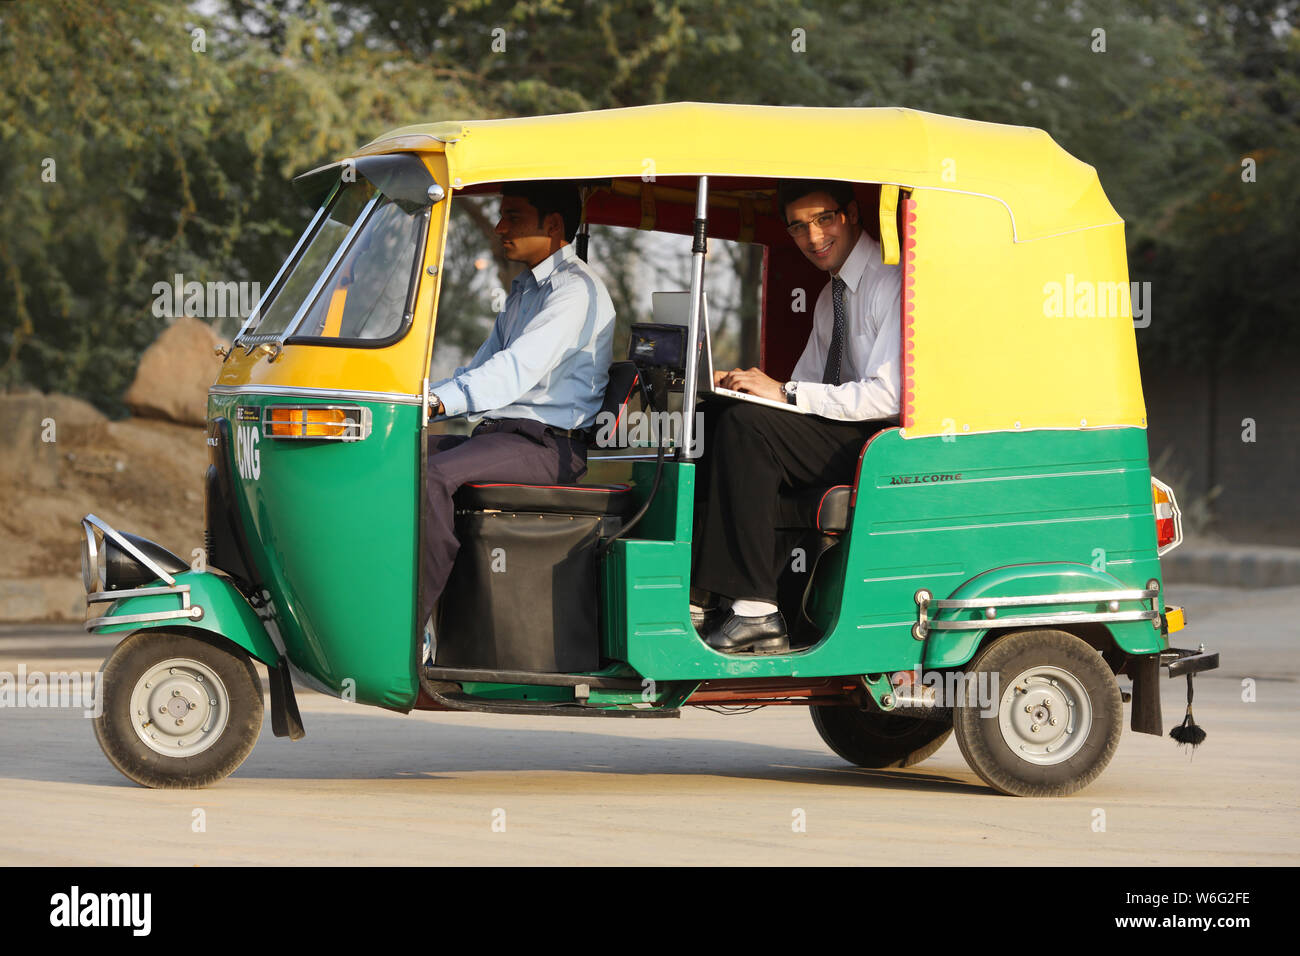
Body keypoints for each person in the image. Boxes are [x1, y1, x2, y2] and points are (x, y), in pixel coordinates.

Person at [691, 178, 902, 654]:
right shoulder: (832, 298)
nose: (813, 237)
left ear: (849, 214)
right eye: (798, 227)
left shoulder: (891, 280)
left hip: (882, 443)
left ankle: (756, 611)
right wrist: (741, 387)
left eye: (823, 219)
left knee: (750, 429)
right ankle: (702, 596)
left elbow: (887, 397)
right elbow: (807, 388)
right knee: (718, 417)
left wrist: (781, 392)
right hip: (842, 432)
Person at [418, 181, 615, 633]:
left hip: (548, 447)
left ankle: (408, 626)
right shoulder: (526, 290)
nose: (500, 227)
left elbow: (512, 372)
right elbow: (481, 368)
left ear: (554, 226)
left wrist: (436, 403)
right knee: (396, 458)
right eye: (500, 215)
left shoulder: (575, 293)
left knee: (432, 477)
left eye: (514, 217)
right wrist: (418, 400)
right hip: (505, 437)